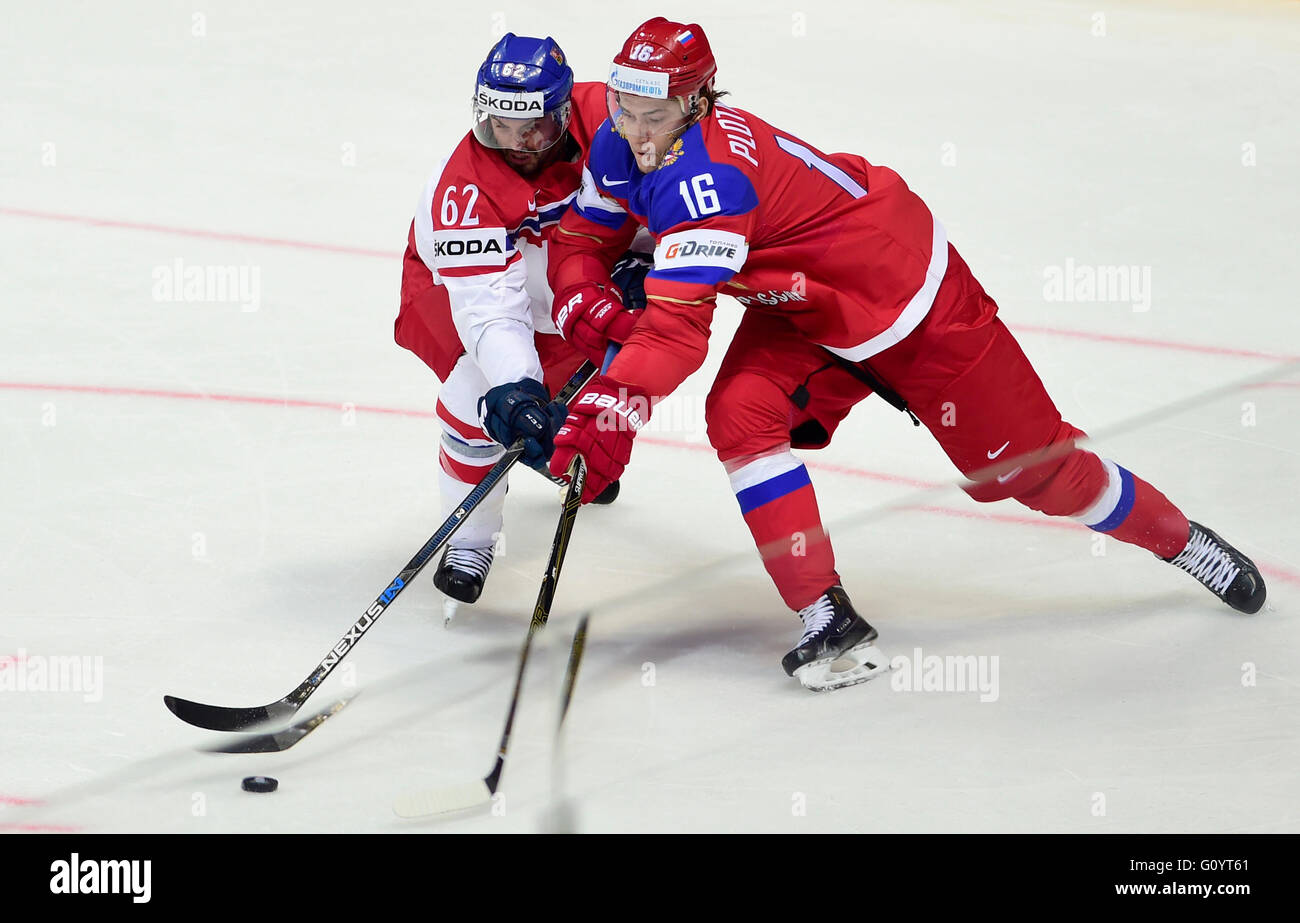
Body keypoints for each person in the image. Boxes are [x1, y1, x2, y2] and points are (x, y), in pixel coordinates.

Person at [543, 18, 1267, 690]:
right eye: (624, 107)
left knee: (1040, 471)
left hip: (912, 305)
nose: (634, 130)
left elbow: (674, 334)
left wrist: (612, 405)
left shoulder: (712, 183)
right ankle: (828, 615)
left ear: (698, 101)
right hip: (800, 304)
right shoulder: (620, 130)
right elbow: (580, 232)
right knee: (741, 414)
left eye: (655, 114)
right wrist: (587, 299)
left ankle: (1180, 541)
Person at [394, 33, 648, 606]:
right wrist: (519, 388)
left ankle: (571, 455)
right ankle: (472, 540)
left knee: (614, 368)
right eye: (497, 126)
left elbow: (669, 188)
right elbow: (489, 308)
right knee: (474, 406)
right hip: (478, 296)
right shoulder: (461, 191)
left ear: (562, 111)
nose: (514, 143)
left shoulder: (614, 120)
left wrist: (649, 256)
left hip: (573, 281)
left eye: (531, 127)